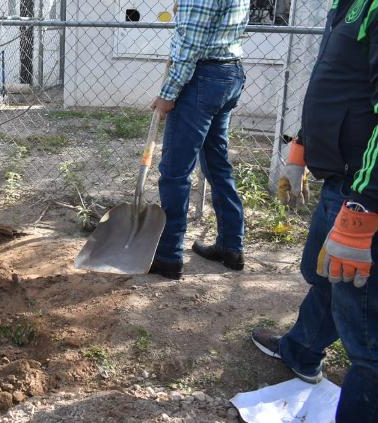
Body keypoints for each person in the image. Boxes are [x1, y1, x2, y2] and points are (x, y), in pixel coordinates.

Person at [251, 0, 378, 419]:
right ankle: (301, 350)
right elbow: (337, 81)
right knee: (322, 274)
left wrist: (363, 210)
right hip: (343, 179)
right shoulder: (351, 4)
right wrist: (302, 146)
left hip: (365, 191)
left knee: (368, 341)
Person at [148, 0, 250, 280]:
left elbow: (190, 46)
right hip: (229, 73)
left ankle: (168, 256)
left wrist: (168, 94)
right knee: (217, 165)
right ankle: (231, 246)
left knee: (174, 173)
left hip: (202, 79)